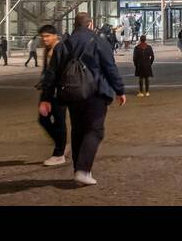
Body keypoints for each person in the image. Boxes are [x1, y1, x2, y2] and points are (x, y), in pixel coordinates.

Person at [37, 12, 126, 186]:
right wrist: (119, 90)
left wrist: (46, 98)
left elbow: (51, 74)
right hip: (95, 92)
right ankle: (83, 170)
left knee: (77, 130)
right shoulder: (99, 41)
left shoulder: (63, 45)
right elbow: (110, 67)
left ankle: (79, 168)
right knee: (95, 130)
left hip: (72, 93)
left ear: (75, 25)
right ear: (90, 25)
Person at [34, 24, 67, 165]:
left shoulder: (60, 49)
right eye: (43, 36)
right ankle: (61, 144)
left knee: (59, 121)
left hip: (58, 92)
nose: (44, 39)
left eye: (47, 36)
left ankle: (59, 153)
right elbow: (47, 71)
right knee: (43, 119)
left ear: (55, 36)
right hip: (48, 90)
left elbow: (58, 73)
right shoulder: (48, 49)